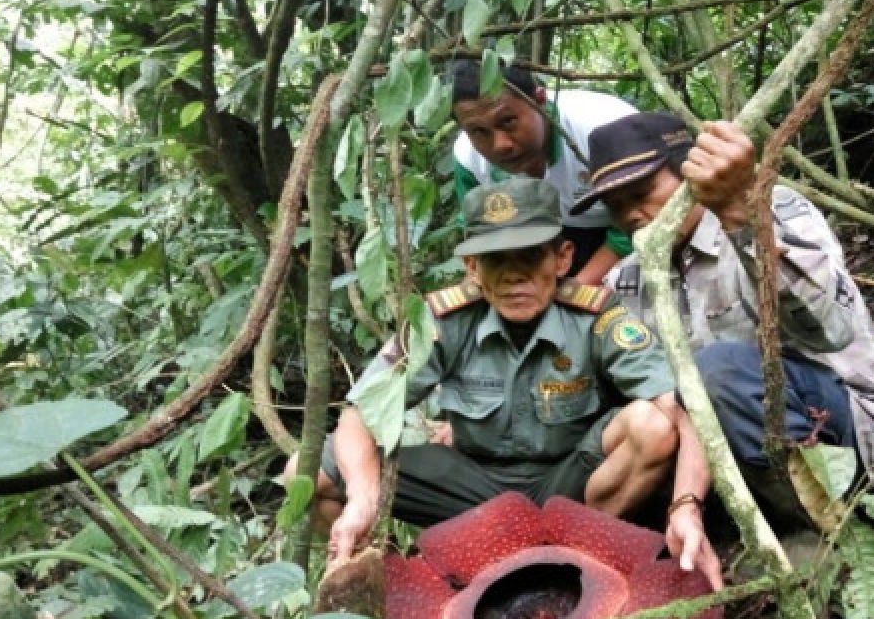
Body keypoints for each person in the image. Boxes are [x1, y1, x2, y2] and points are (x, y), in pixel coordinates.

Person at [288, 177, 723, 590]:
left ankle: (575, 564)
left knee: (652, 423)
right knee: (306, 475)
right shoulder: (442, 322)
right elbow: (361, 414)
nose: (514, 276)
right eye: (497, 260)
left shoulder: (596, 317)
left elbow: (681, 407)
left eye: (530, 256)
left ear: (562, 258)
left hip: (571, 484)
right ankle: (407, 593)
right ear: (472, 267)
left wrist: (687, 506)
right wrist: (364, 499)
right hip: (473, 487)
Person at [571, 112, 874, 551]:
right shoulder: (629, 280)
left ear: (691, 175)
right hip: (724, 459)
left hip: (841, 429)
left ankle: (825, 528)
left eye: (642, 193)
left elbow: (831, 329)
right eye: (615, 205)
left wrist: (742, 219)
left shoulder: (774, 209)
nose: (631, 214)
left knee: (717, 370)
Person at [450, 59, 636, 285]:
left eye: (508, 121)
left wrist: (573, 291)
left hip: (623, 233)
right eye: (479, 132)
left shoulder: (605, 129)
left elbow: (641, 219)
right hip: (535, 239)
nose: (500, 145)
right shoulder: (468, 156)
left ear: (539, 100)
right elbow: (479, 232)